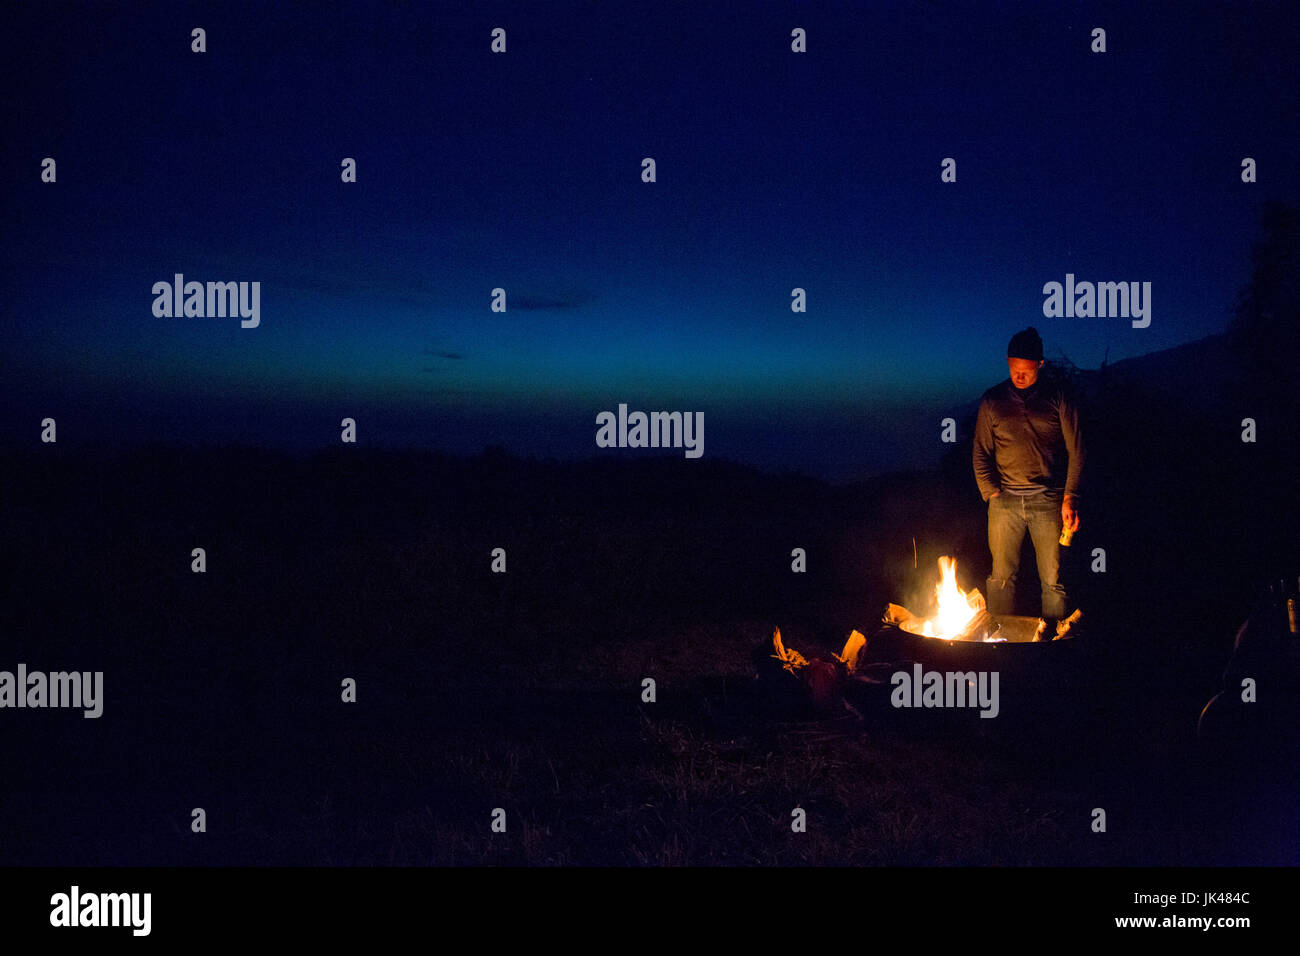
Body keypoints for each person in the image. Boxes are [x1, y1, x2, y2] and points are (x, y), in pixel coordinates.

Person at [972, 327, 1083, 622]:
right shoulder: (992, 400)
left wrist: (1070, 496)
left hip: (1048, 499)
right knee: (1001, 579)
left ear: (1040, 365)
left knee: (1054, 580)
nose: (1019, 376)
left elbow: (1078, 450)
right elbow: (980, 451)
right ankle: (997, 642)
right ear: (1008, 361)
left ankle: (1054, 642)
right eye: (1014, 369)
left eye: (1027, 371)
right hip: (1004, 501)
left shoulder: (1058, 396)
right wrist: (992, 493)